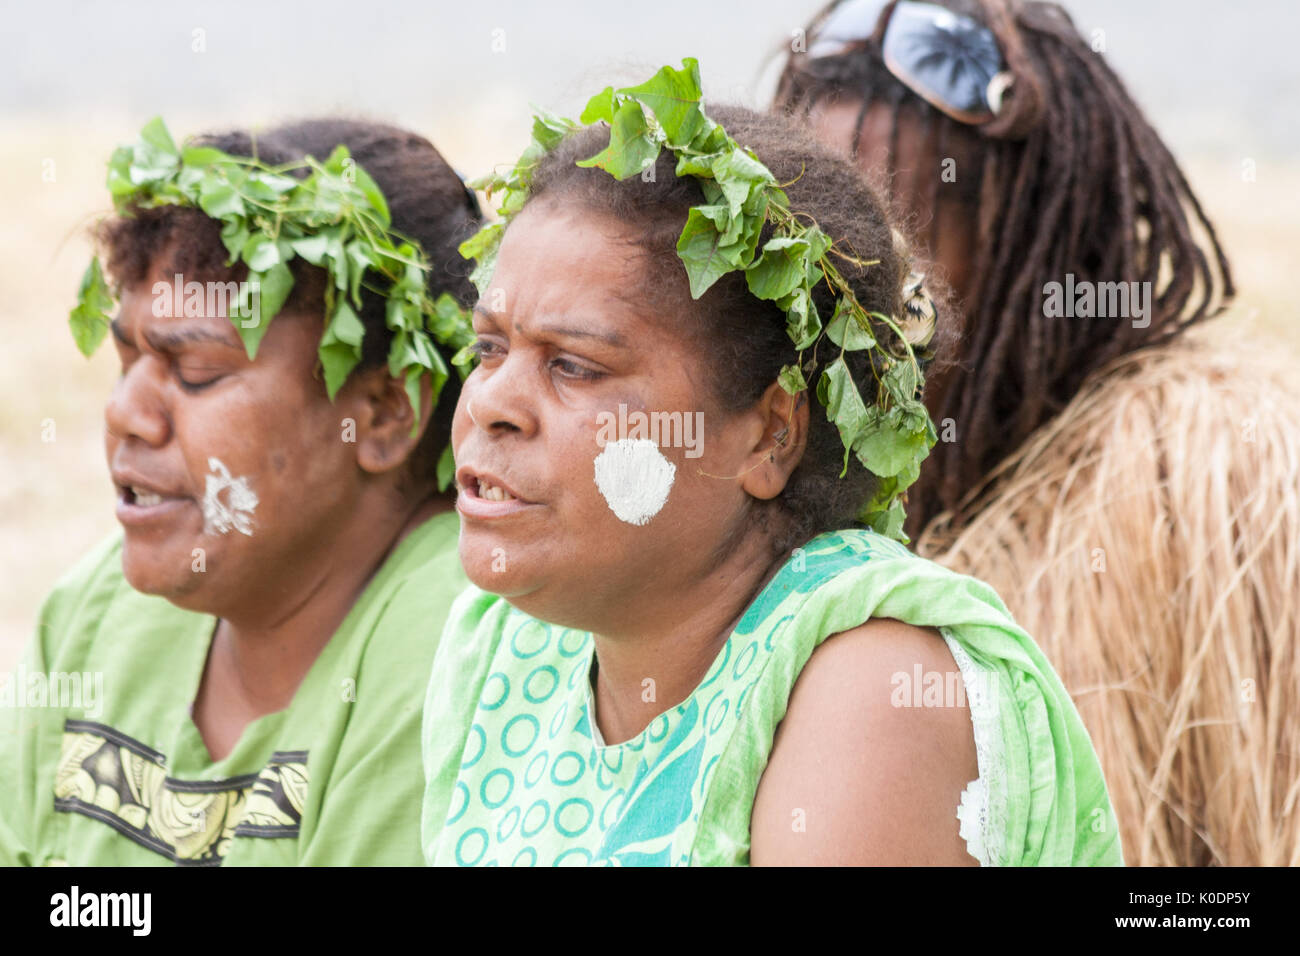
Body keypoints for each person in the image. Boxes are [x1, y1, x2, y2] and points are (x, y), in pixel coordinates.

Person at [419, 65, 1123, 866]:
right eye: (488, 348)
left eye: (575, 365)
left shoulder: (875, 687)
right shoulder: (506, 649)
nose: (488, 403)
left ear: (770, 436)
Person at [775, 0, 1300, 864]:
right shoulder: (780, 496)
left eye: (897, 235)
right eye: (812, 241)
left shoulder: (1206, 483)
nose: (845, 294)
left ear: (1041, 242)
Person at [0, 118, 477, 865]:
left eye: (196, 374)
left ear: (385, 412)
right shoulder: (97, 614)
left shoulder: (455, 654)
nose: (126, 412)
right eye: (126, 359)